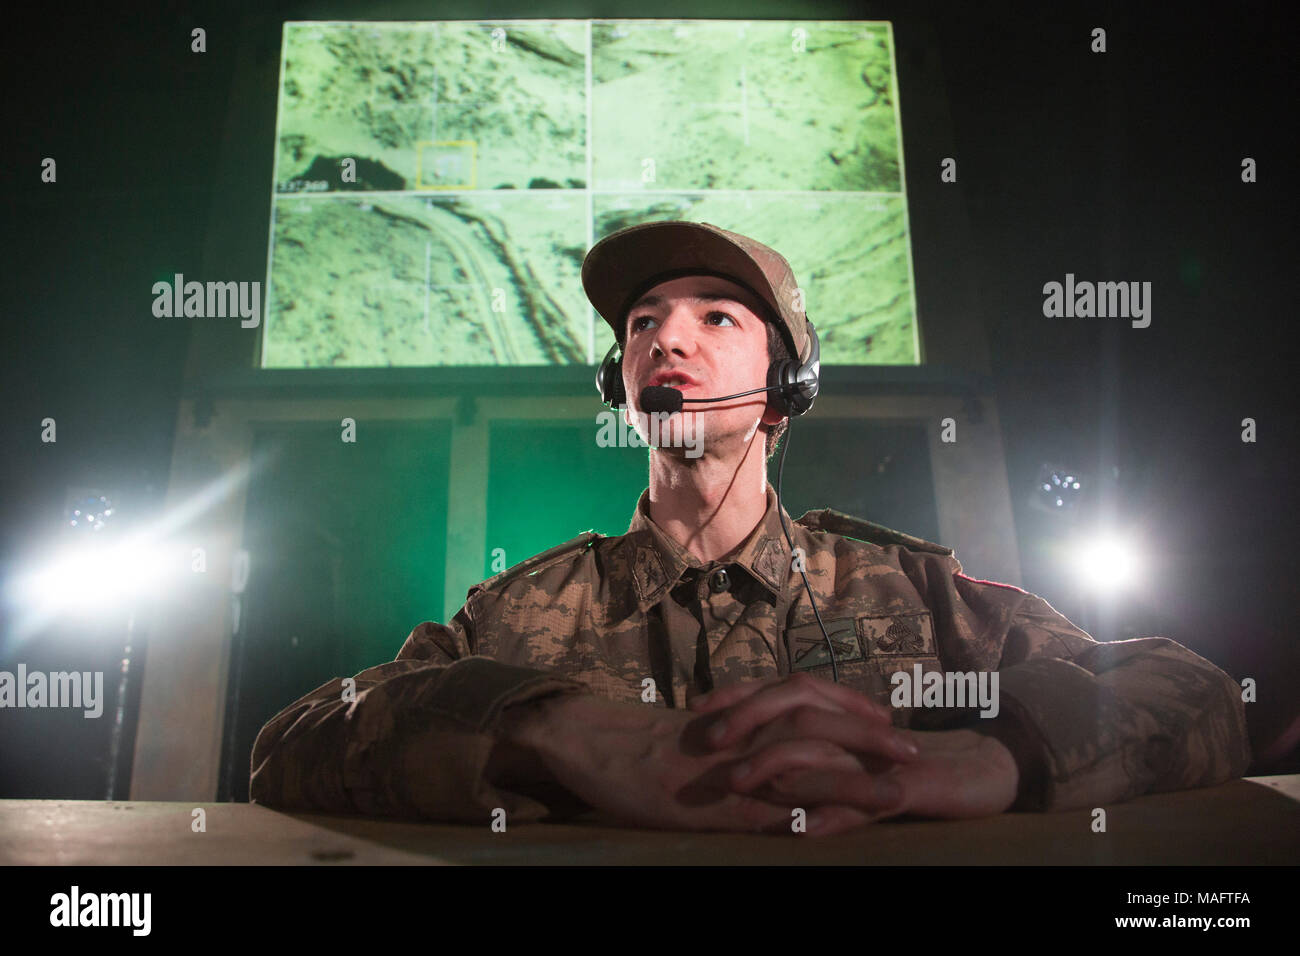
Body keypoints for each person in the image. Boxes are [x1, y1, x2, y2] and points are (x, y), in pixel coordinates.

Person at [249, 220, 1251, 836]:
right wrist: (548, 724)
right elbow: (289, 743)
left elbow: (1193, 691)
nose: (666, 335)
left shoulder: (911, 593)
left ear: (784, 387)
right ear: (620, 384)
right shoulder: (517, 610)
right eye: (643, 320)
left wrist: (999, 753)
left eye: (716, 315)